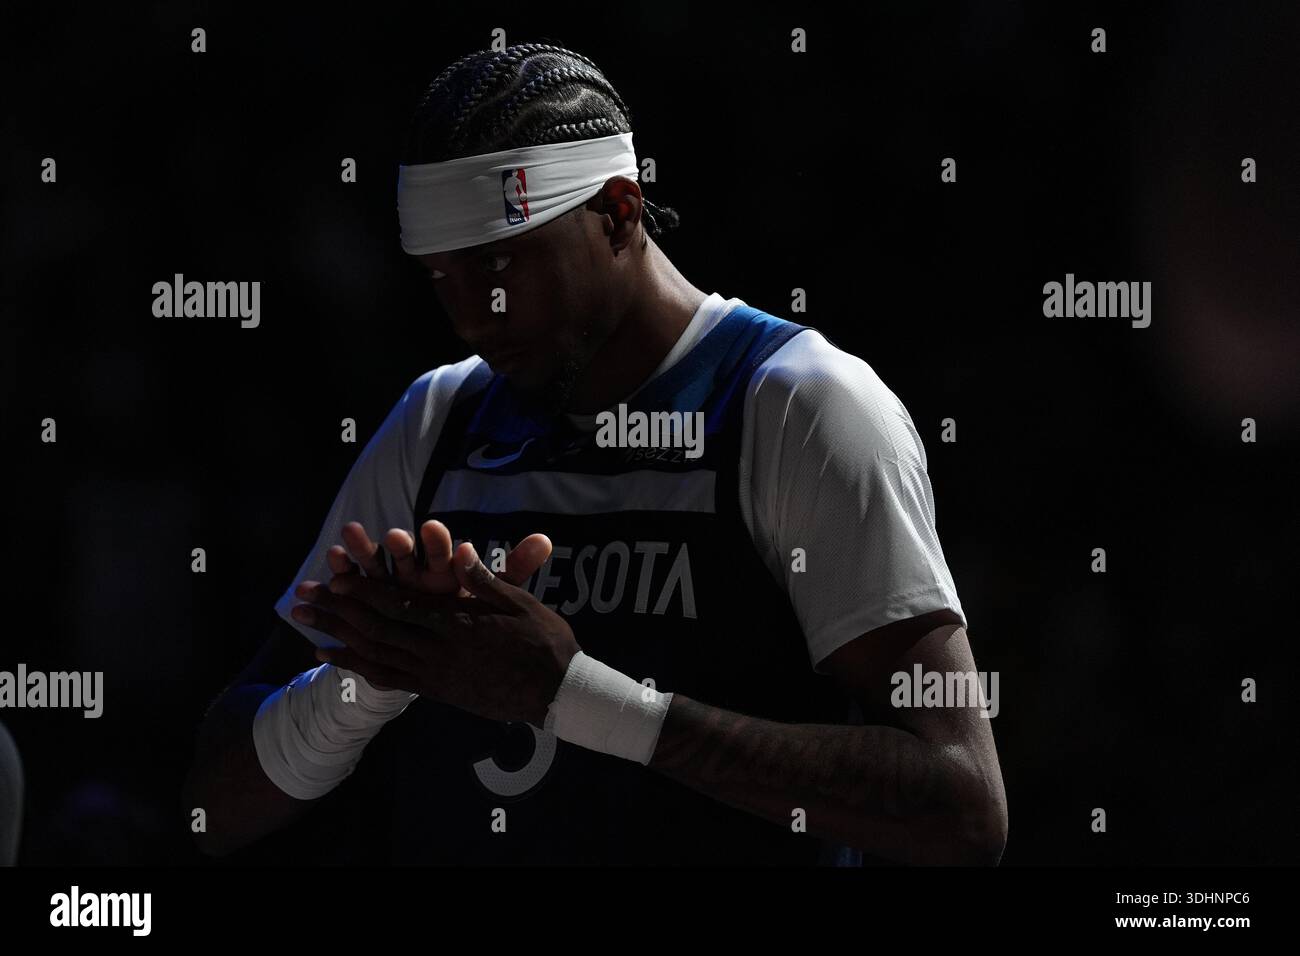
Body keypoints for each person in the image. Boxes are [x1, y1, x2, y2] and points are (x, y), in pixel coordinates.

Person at [184, 42, 1006, 866]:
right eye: (441, 277)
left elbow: (961, 809)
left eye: (497, 263)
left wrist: (574, 697)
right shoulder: (440, 416)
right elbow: (207, 809)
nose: (472, 315)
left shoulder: (797, 404)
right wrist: (368, 680)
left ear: (617, 212)